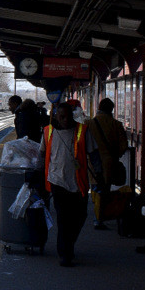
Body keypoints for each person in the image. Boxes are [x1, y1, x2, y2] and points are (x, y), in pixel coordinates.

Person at [41, 101, 95, 266]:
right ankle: (65, 253)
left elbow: (94, 154)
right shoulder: (47, 132)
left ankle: (68, 244)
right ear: (56, 116)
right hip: (57, 181)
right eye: (61, 116)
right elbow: (41, 155)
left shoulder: (83, 131)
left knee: (80, 216)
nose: (65, 120)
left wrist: (100, 174)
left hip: (78, 183)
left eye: (68, 116)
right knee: (63, 219)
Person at [88, 98, 129, 230]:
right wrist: (114, 155)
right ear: (111, 109)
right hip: (108, 163)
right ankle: (99, 218)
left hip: (91, 163)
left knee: (95, 187)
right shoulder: (116, 124)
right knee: (104, 189)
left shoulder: (89, 123)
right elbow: (123, 145)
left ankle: (97, 215)